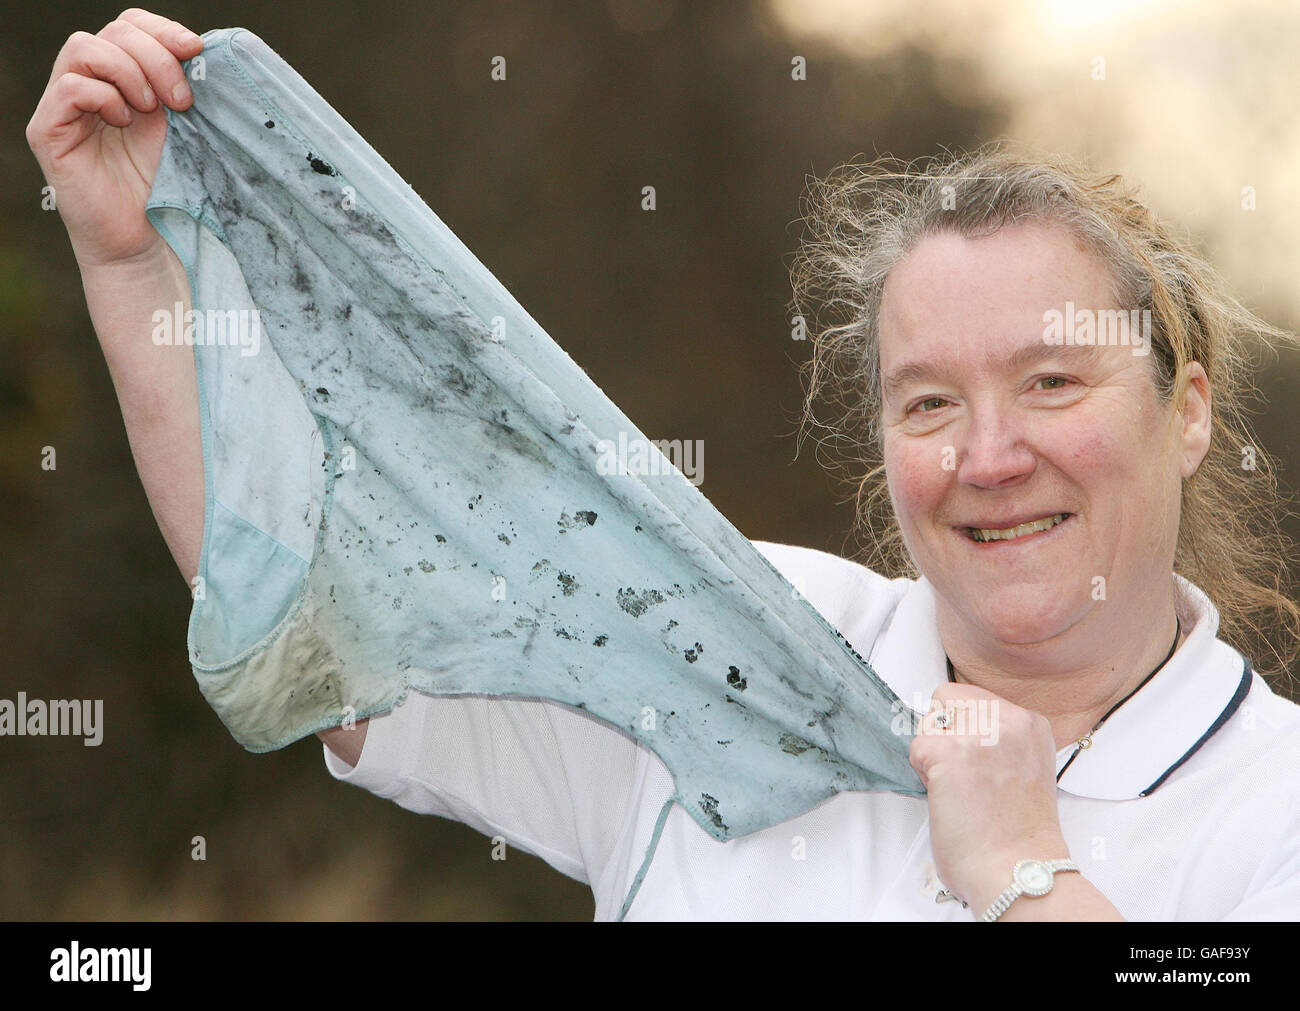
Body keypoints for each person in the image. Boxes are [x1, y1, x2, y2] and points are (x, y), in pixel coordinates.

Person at [28, 9, 1300, 921]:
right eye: (926, 404)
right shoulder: (730, 639)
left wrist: (1025, 873)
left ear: (1185, 410)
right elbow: (319, 611)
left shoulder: (1277, 808)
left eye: (1051, 382)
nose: (988, 456)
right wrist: (138, 266)